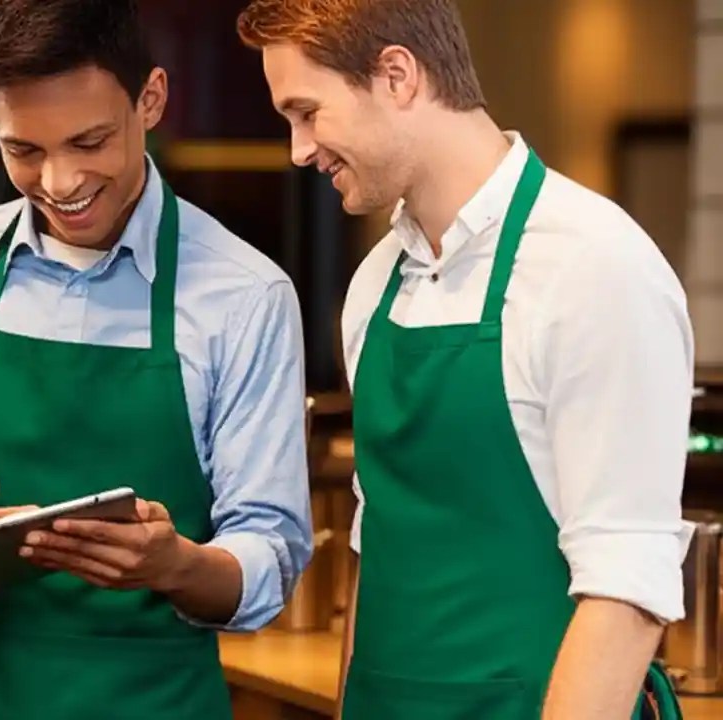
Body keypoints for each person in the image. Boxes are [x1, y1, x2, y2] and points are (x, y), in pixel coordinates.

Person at [237, 1, 693, 719]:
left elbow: (627, 591)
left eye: (307, 112)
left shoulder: (594, 268)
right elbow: (376, 544)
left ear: (397, 76)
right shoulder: (374, 287)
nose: (298, 150)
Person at [0, 0, 312, 716]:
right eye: (24, 151)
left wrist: (176, 564)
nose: (60, 182)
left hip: (154, 701)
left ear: (151, 100)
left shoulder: (245, 294)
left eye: (89, 142)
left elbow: (269, 555)